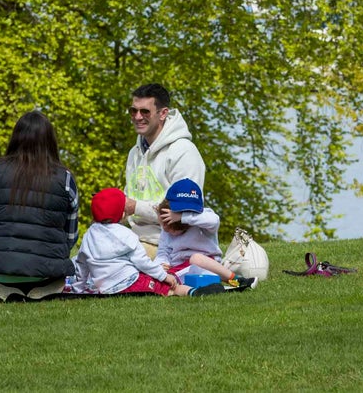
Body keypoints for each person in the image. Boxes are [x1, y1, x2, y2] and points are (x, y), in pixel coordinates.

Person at [0, 111, 79, 301]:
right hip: (47, 278)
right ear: (50, 142)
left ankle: (5, 289)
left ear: (15, 138)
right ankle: (37, 290)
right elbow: (70, 235)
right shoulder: (66, 178)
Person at [73, 188, 216, 297]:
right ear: (122, 213)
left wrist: (78, 289)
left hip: (104, 288)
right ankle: (194, 293)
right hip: (129, 283)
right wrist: (164, 276)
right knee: (169, 287)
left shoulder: (88, 235)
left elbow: (81, 264)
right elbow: (142, 262)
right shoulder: (126, 234)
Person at [124, 83, 206, 256]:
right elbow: (128, 202)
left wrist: (135, 207)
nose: (137, 117)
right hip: (133, 240)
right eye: (133, 111)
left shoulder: (183, 151)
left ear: (163, 114)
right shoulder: (135, 152)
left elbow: (184, 213)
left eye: (145, 111)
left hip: (170, 246)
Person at [157, 178, 256, 290]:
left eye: (170, 228)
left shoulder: (201, 220)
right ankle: (206, 290)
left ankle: (235, 280)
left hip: (209, 266)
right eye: (163, 224)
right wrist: (161, 264)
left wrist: (183, 217)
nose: (165, 229)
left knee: (196, 258)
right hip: (181, 269)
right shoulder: (166, 226)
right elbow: (163, 251)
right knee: (156, 275)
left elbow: (214, 220)